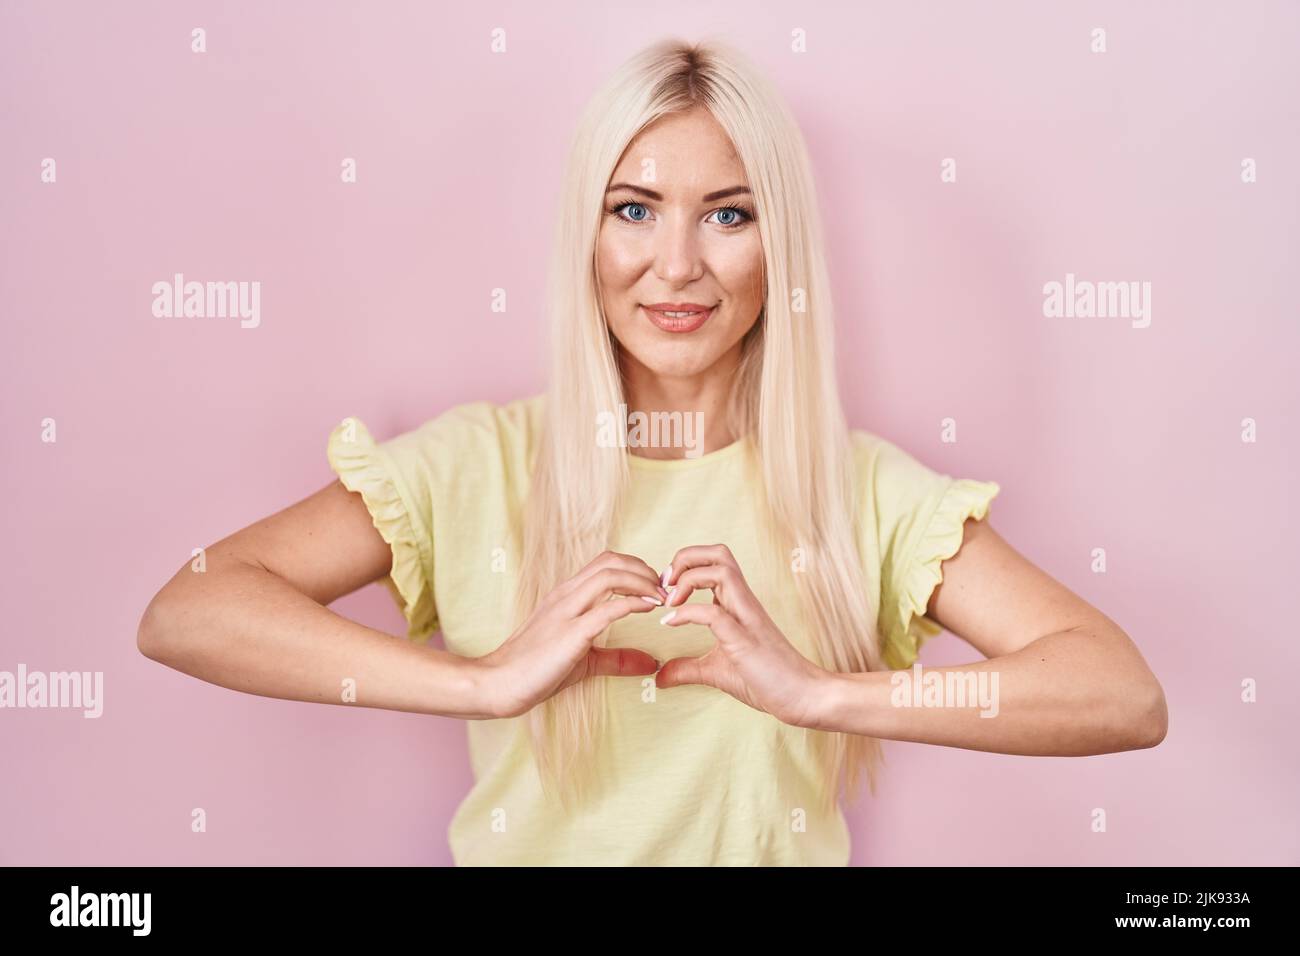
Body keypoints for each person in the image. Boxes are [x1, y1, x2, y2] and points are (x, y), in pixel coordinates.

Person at [137, 37, 1167, 866]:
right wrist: (483, 681)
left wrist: (816, 692)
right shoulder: (478, 464)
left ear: (782, 247)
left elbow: (1118, 691)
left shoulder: (861, 494)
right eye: (634, 209)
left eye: (728, 214)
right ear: (586, 236)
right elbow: (190, 608)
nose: (676, 266)